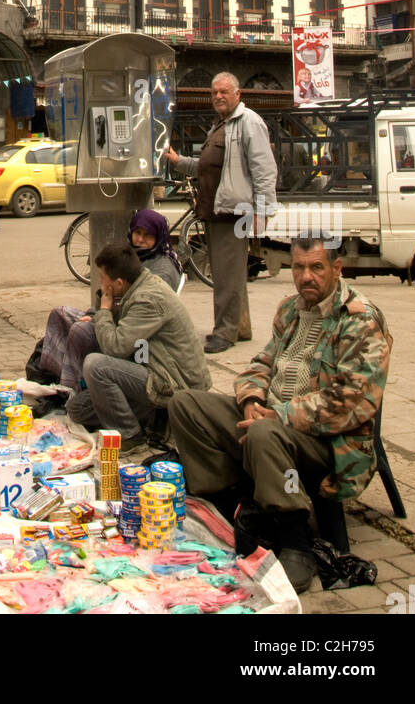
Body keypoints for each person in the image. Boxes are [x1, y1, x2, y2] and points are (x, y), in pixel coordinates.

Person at [167, 236, 391, 593]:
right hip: (270, 425)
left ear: (336, 269)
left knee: (264, 433)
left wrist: (279, 416)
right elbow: (262, 363)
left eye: (317, 268)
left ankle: (295, 540)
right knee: (186, 404)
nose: (306, 277)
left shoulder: (360, 320)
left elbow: (352, 402)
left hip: (327, 443)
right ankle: (228, 507)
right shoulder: (290, 309)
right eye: (299, 268)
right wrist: (251, 400)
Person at [162, 71, 277, 353]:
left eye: (224, 91)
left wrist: (263, 210)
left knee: (226, 275)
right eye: (214, 93)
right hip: (216, 210)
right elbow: (206, 166)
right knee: (231, 273)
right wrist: (178, 161)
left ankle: (225, 333)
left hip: (233, 213)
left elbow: (264, 169)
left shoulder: (249, 122)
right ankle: (240, 326)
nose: (218, 97)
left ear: (238, 94)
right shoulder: (221, 125)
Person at [65, 244, 211, 455]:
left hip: (175, 383)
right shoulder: (136, 286)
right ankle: (151, 415)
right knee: (77, 409)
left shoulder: (147, 299)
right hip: (154, 370)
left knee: (95, 366)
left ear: (118, 282)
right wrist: (102, 311)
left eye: (102, 277)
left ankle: (131, 436)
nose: (100, 282)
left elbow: (115, 347)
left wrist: (104, 312)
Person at [37, 209, 183, 392]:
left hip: (132, 332)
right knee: (59, 314)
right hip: (109, 315)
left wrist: (102, 314)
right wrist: (94, 313)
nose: (140, 240)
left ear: (159, 237)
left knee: (80, 331)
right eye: (138, 233)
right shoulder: (129, 255)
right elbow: (106, 292)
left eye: (148, 235)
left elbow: (130, 321)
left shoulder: (162, 270)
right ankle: (51, 379)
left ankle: (71, 390)